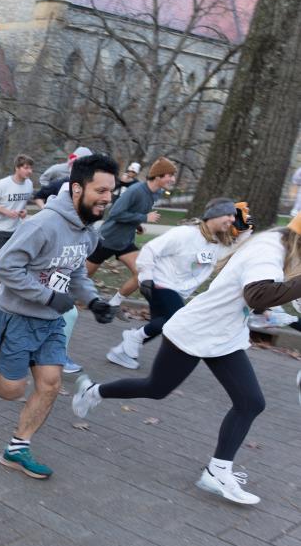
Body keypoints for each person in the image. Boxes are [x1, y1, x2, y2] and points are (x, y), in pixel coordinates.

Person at [73, 216, 301, 505]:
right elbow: (257, 294)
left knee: (250, 402)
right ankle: (93, 391)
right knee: (156, 388)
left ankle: (217, 471)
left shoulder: (281, 246)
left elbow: (265, 297)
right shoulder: (269, 249)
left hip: (223, 337)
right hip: (196, 330)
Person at [0, 154, 119, 480]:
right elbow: (4, 267)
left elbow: (75, 270)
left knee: (49, 386)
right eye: (101, 190)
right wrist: (48, 296)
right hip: (17, 317)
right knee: (11, 390)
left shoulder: (87, 230)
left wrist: (94, 300)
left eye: (111, 191)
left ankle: (17, 449)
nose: (107, 198)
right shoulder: (42, 225)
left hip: (50, 322)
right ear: (77, 189)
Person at [106, 198, 247, 369]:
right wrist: (147, 277)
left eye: (234, 217)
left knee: (162, 324)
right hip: (159, 282)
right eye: (229, 215)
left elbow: (237, 253)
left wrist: (245, 232)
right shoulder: (185, 234)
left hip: (177, 289)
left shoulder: (217, 244)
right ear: (214, 215)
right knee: (175, 320)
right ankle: (134, 337)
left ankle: (121, 352)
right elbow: (150, 249)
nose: (232, 219)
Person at [86, 157, 176, 308]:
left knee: (142, 273)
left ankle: (113, 305)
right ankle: (62, 299)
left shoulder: (157, 193)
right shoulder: (135, 190)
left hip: (125, 242)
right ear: (159, 176)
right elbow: (115, 213)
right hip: (107, 239)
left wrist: (138, 225)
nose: (173, 179)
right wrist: (144, 217)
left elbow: (133, 212)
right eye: (170, 175)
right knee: (83, 276)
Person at [0, 155, 38, 298]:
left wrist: (24, 212)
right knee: (1, 258)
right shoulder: (2, 184)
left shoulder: (28, 184)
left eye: (31, 168)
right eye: (26, 167)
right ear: (17, 168)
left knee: (8, 258)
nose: (29, 171)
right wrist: (6, 211)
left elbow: (23, 204)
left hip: (15, 227)